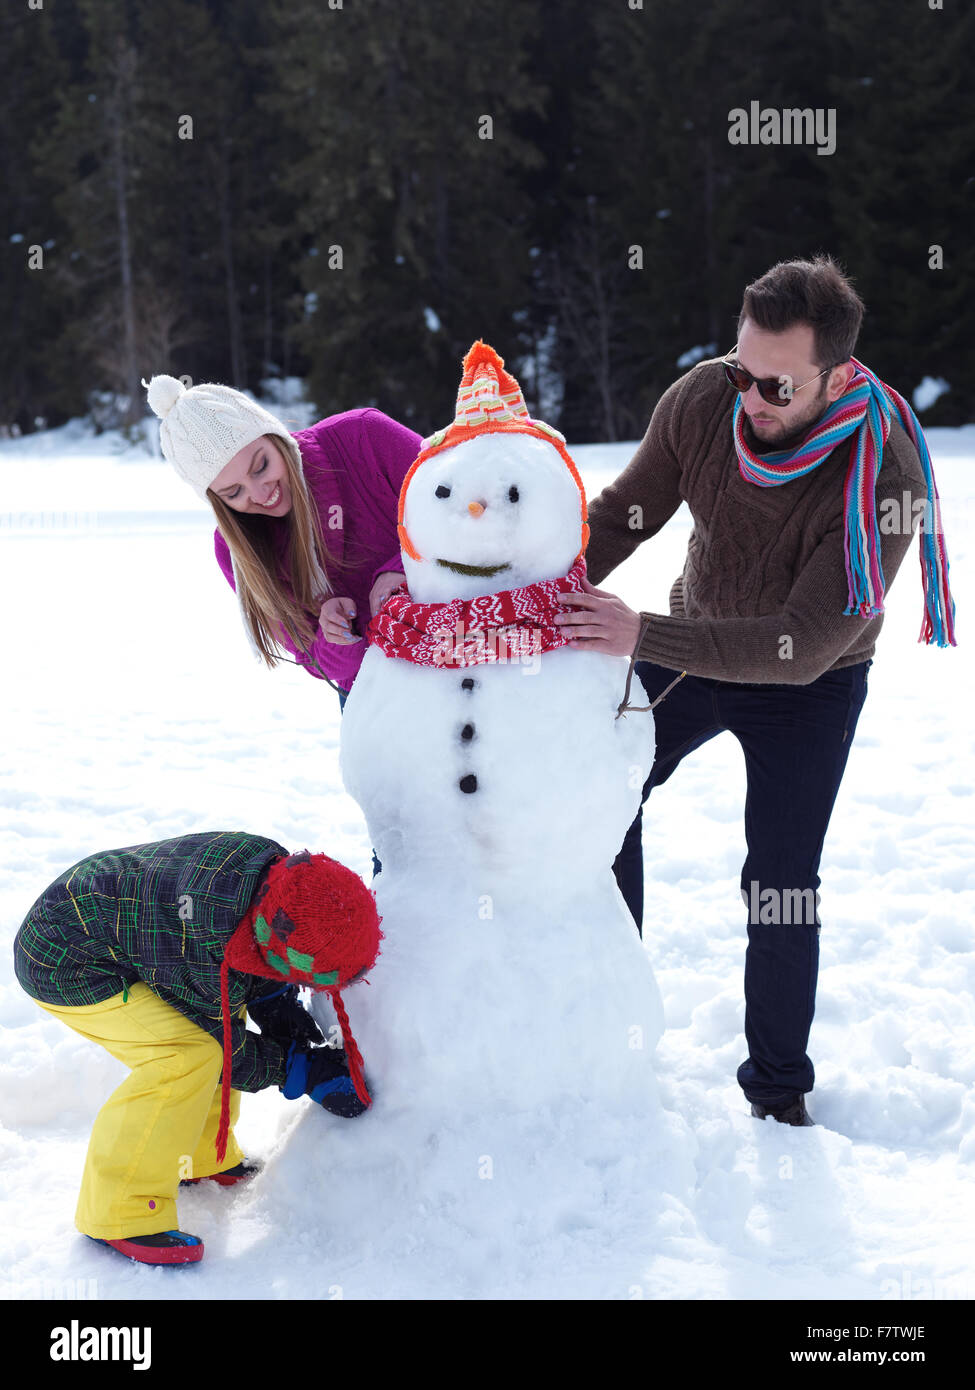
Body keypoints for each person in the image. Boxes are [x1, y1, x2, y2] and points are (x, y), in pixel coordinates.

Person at [554, 256, 955, 1127]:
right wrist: (533, 599)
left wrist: (638, 634)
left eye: (774, 385)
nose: (750, 398)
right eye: (741, 369)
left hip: (809, 686)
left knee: (779, 882)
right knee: (600, 796)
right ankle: (609, 1022)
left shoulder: (884, 479)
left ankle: (776, 1092)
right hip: (693, 647)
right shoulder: (704, 399)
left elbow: (804, 645)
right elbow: (628, 512)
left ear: (838, 375)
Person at [14, 833, 382, 1264]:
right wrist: (298, 1069)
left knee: (219, 1013)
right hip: (64, 958)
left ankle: (201, 1156)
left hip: (121, 929)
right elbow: (222, 1047)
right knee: (187, 1055)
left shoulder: (278, 882)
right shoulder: (200, 941)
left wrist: (275, 1003)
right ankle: (119, 1212)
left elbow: (253, 957)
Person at [145, 374, 423, 698]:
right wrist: (334, 639)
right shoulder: (237, 551)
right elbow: (318, 662)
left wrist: (400, 570)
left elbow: (469, 510)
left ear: (275, 436)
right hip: (379, 697)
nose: (261, 494)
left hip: (470, 652)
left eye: (261, 465)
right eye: (234, 492)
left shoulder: (365, 436)